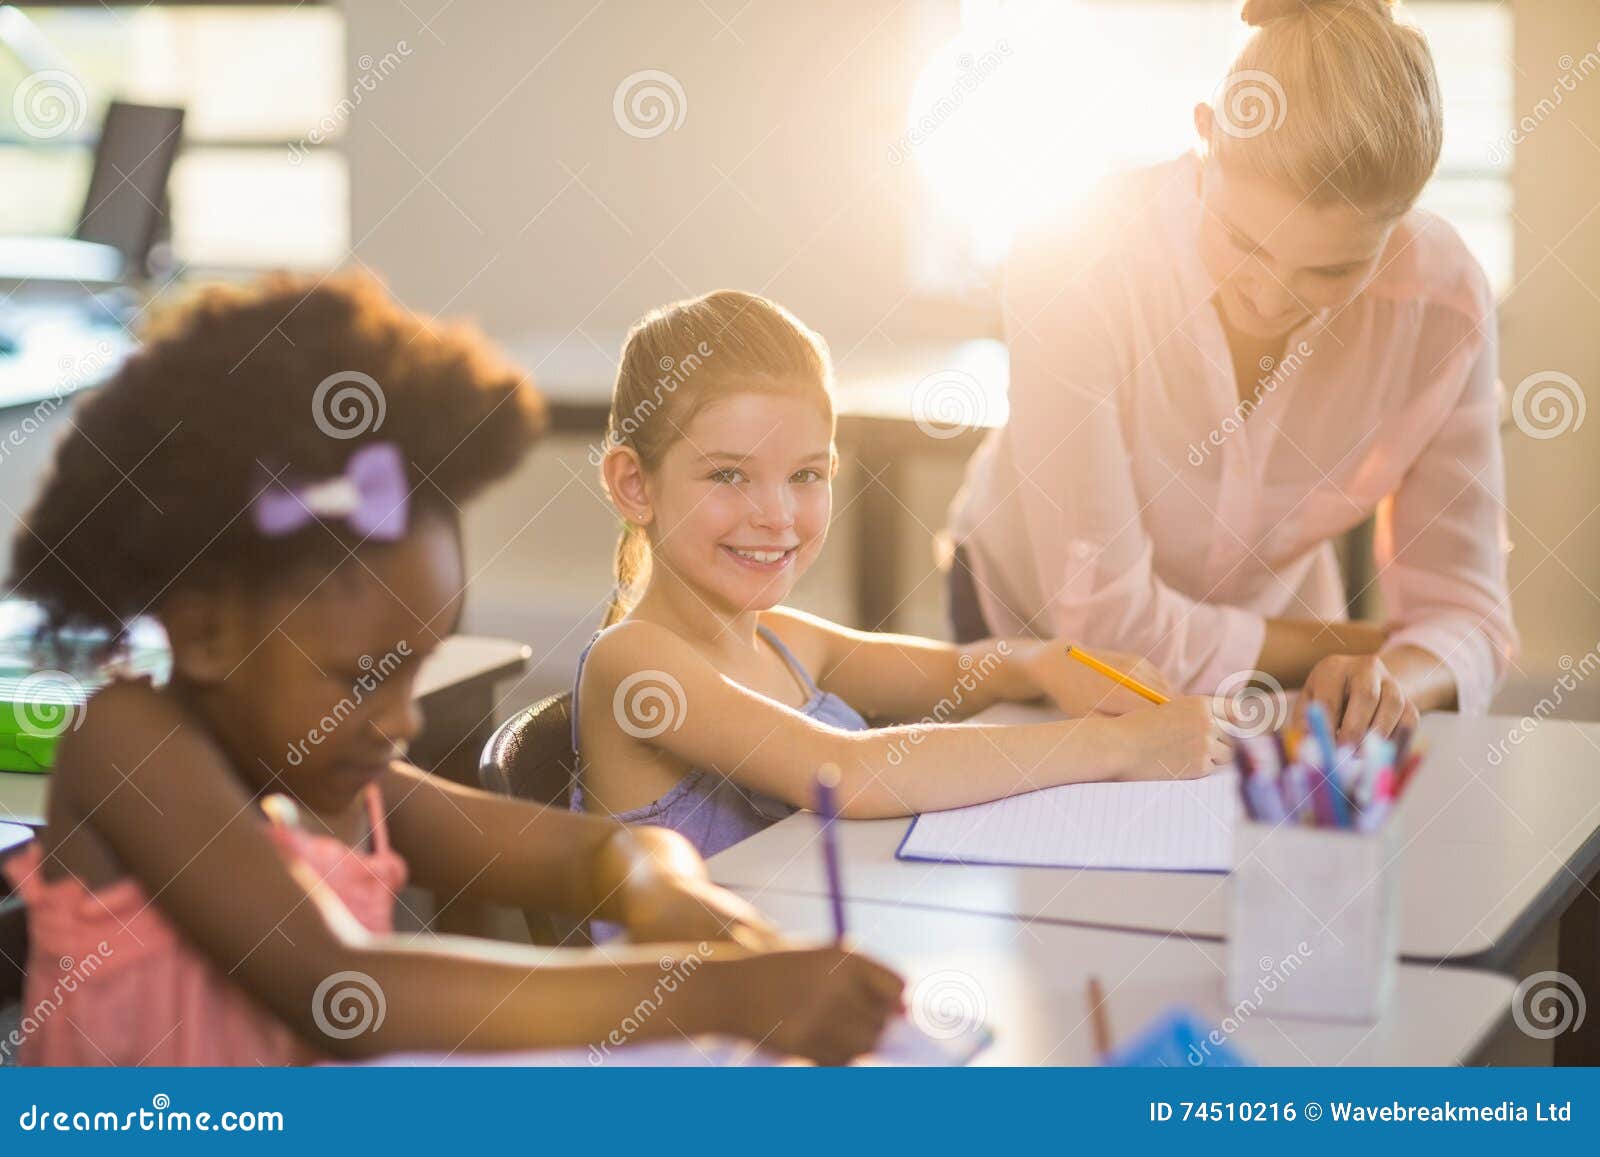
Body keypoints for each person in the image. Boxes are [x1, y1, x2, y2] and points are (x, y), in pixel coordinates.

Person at [2, 273, 902, 1066]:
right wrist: (715, 993)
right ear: (201, 632)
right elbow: (340, 988)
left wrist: (666, 893)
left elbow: (596, 852)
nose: (400, 722)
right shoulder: (129, 741)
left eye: (415, 668)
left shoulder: (344, 773)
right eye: (360, 677)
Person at [947, 0, 1516, 742]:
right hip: (1031, 624)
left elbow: (1468, 611)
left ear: (1403, 215)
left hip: (1285, 665)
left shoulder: (1444, 305)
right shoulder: (1075, 257)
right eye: (1244, 242)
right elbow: (1106, 627)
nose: (1271, 297)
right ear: (1206, 136)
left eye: (1332, 269)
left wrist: (1390, 677)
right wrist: (1371, 647)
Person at [573, 289, 1229, 860]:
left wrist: (1044, 660)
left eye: (805, 474)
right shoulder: (635, 663)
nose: (775, 515)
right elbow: (848, 772)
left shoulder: (783, 640)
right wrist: (1119, 747)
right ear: (635, 484)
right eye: (728, 474)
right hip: (701, 999)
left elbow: (953, 675)